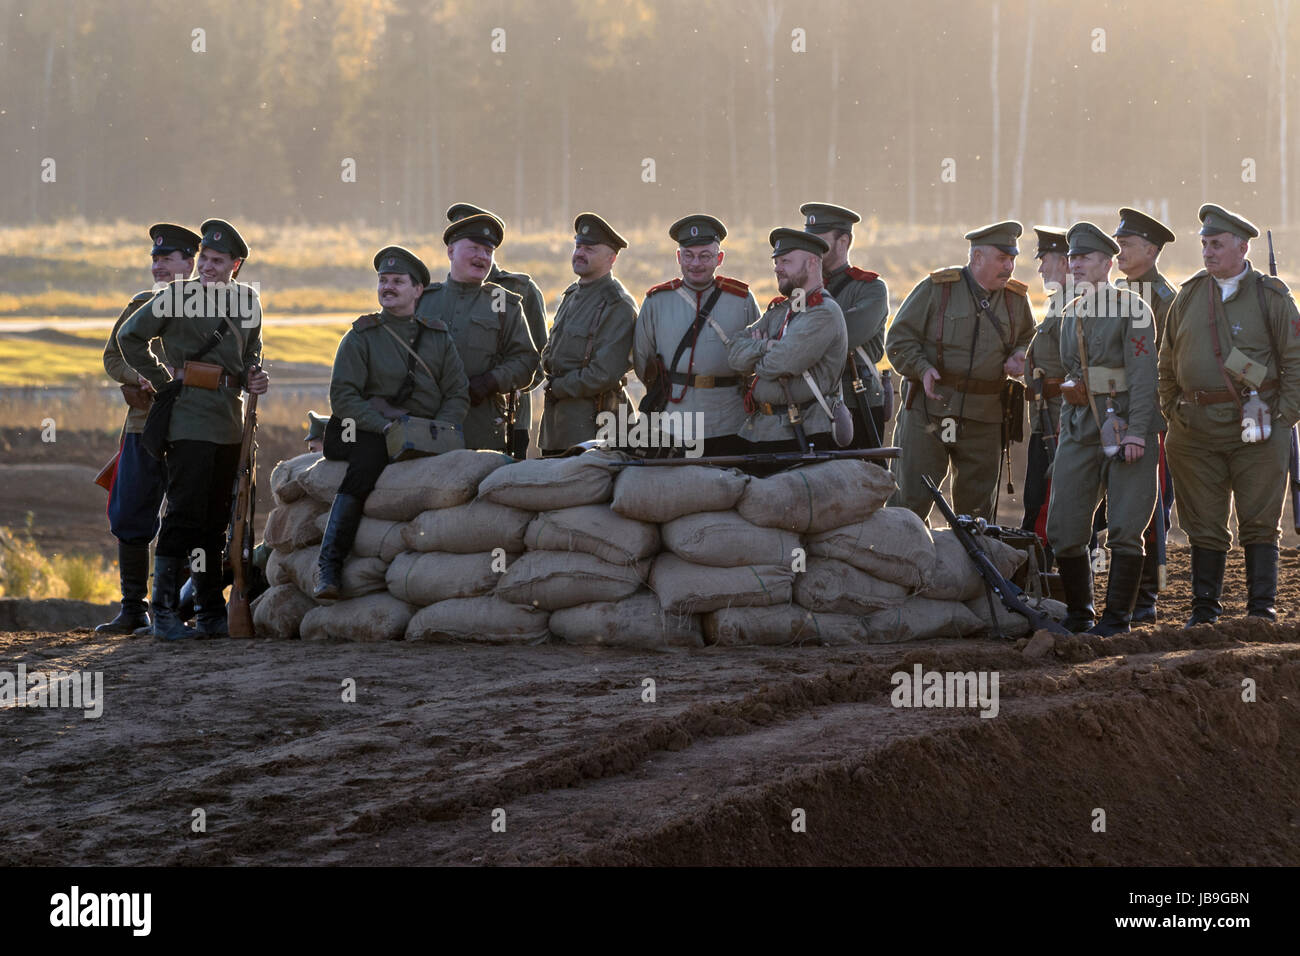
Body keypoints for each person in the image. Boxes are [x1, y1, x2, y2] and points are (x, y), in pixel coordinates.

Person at [116, 218, 269, 640]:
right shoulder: (176, 297)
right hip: (188, 420)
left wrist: (257, 375)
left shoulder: (247, 300)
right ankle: (163, 613)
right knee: (183, 516)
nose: (208, 266)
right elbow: (130, 338)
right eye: (205, 258)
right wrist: (164, 381)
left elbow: (253, 350)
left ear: (235, 265)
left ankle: (208, 610)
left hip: (229, 420)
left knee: (214, 522)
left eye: (218, 261)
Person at [1158, 203, 1300, 625]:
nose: (1207, 251)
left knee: (1259, 520)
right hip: (1195, 430)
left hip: (1258, 428)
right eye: (1204, 243)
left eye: (1216, 244)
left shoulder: (1270, 296)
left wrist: (1283, 419)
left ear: (1242, 247)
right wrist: (1173, 410)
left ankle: (1261, 610)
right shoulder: (1189, 295)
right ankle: (1204, 611)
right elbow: (1166, 362)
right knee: (1202, 521)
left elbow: (1295, 361)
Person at [315, 246, 469, 599]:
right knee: (367, 462)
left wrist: (439, 432)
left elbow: (457, 392)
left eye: (398, 281)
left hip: (422, 432)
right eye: (383, 281)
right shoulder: (361, 336)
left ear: (418, 290)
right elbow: (343, 398)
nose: (388, 287)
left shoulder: (438, 338)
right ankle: (329, 567)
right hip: (365, 429)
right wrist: (384, 427)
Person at [1046, 222, 1159, 635]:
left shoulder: (1133, 308)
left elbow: (1145, 377)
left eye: (1085, 257)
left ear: (1107, 263)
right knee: (1064, 527)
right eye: (1072, 257)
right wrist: (1065, 435)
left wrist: (1137, 432)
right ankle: (1080, 615)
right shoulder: (1069, 310)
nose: (1075, 264)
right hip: (1079, 429)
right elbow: (1070, 379)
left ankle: (1116, 621)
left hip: (1127, 425)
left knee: (1127, 528)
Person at [885, 221, 1035, 522]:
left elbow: (1029, 338)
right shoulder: (938, 289)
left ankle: (970, 568)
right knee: (909, 503)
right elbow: (899, 339)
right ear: (976, 258)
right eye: (1002, 259)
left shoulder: (1016, 300)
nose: (1009, 267)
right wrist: (921, 368)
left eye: (1013, 259)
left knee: (977, 514)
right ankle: (904, 566)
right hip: (929, 413)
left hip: (985, 418)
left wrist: (1021, 354)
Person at [96, 223, 199, 635]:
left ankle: (175, 607)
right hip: (144, 424)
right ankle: (132, 608)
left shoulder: (206, 308)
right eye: (155, 258)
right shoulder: (140, 304)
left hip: (193, 425)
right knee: (131, 512)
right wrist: (140, 377)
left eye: (168, 258)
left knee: (188, 517)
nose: (158, 265)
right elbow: (113, 355)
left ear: (189, 263)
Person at [634, 214, 759, 456]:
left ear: (719, 258)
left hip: (730, 419)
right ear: (678, 257)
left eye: (705, 256)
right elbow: (643, 362)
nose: (696, 264)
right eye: (688, 256)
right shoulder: (656, 301)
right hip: (674, 419)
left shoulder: (742, 299)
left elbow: (755, 356)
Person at [415, 212, 538, 452]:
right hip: (423, 424)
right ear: (451, 252)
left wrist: (490, 381)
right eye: (474, 248)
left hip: (480, 430)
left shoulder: (504, 304)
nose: (482, 257)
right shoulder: (421, 300)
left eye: (488, 252)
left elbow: (526, 362)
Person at [1113, 207, 1179, 624]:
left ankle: (1149, 592)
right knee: (1118, 506)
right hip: (1114, 417)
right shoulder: (1114, 294)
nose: (1119, 250)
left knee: (1152, 507)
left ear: (1151, 251)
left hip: (1151, 420)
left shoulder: (1167, 300)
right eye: (1117, 244)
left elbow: (1172, 364)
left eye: (1127, 244)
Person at [726, 228, 848, 452]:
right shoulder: (781, 309)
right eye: (777, 261)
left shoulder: (823, 312)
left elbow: (778, 364)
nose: (777, 268)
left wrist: (755, 358)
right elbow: (733, 355)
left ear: (812, 263)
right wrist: (766, 346)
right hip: (765, 430)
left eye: (786, 261)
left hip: (804, 431)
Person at [445, 203, 548, 458]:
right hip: (445, 419)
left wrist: (494, 384)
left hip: (505, 418)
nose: (477, 254)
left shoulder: (519, 291)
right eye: (469, 243)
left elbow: (536, 362)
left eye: (483, 246)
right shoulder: (439, 295)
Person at [538, 213, 637, 455]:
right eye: (578, 246)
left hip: (595, 431)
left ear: (611, 258)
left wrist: (559, 387)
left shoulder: (618, 305)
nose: (580, 253)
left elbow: (604, 373)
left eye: (590, 249)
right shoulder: (572, 294)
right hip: (557, 428)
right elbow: (551, 353)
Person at [800, 202, 891, 448]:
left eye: (821, 240)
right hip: (811, 400)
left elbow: (844, 337)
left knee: (859, 478)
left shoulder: (870, 288)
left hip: (856, 399)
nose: (813, 248)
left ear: (844, 242)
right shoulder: (800, 290)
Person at [1020, 226, 1069, 566]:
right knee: (1039, 503)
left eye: (1045, 260)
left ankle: (1049, 583)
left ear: (1065, 262)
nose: (1040, 269)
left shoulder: (1078, 306)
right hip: (1047, 420)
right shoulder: (1060, 304)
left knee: (1050, 508)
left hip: (1061, 423)